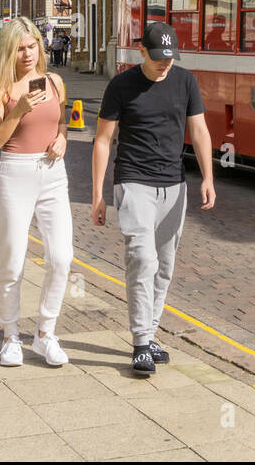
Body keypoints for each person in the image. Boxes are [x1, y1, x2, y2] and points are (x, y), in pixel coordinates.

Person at [92, 21, 215, 375]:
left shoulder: (185, 81)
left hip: (174, 186)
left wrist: (208, 177)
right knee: (141, 259)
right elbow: (103, 140)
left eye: (170, 57)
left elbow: (200, 129)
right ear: (141, 51)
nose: (166, 64)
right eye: (159, 57)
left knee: (163, 265)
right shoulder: (121, 86)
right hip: (134, 182)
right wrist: (98, 195)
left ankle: (151, 331)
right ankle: (141, 343)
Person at [0, 17, 73, 367]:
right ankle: (10, 337)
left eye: (32, 45)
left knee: (61, 257)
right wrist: (18, 110)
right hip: (14, 174)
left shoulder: (54, 81)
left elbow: (60, 121)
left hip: (53, 174)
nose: (27, 54)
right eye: (19, 48)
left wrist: (63, 137)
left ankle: (46, 333)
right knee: (13, 261)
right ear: (8, 50)